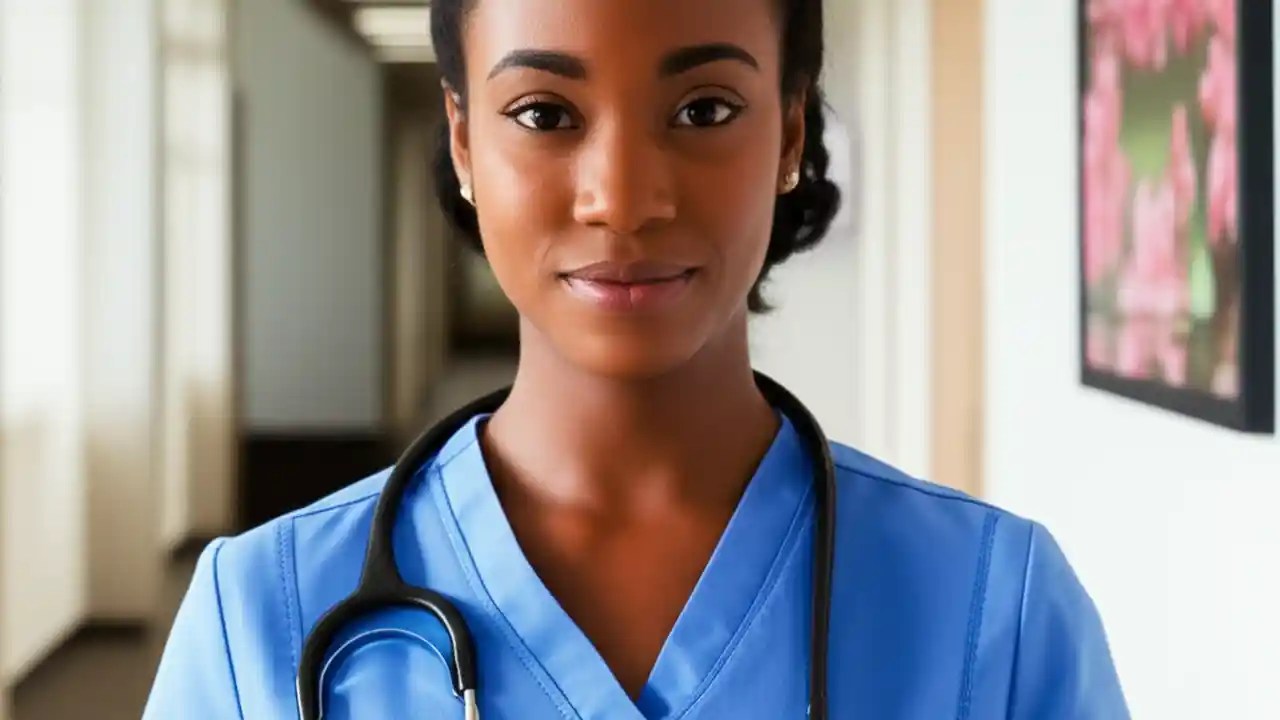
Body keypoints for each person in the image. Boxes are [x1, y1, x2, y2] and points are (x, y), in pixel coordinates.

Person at [142, 0, 1130, 717]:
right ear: (462, 142)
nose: (621, 196)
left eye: (701, 110)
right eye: (542, 113)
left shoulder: (992, 610)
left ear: (789, 131)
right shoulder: (258, 619)